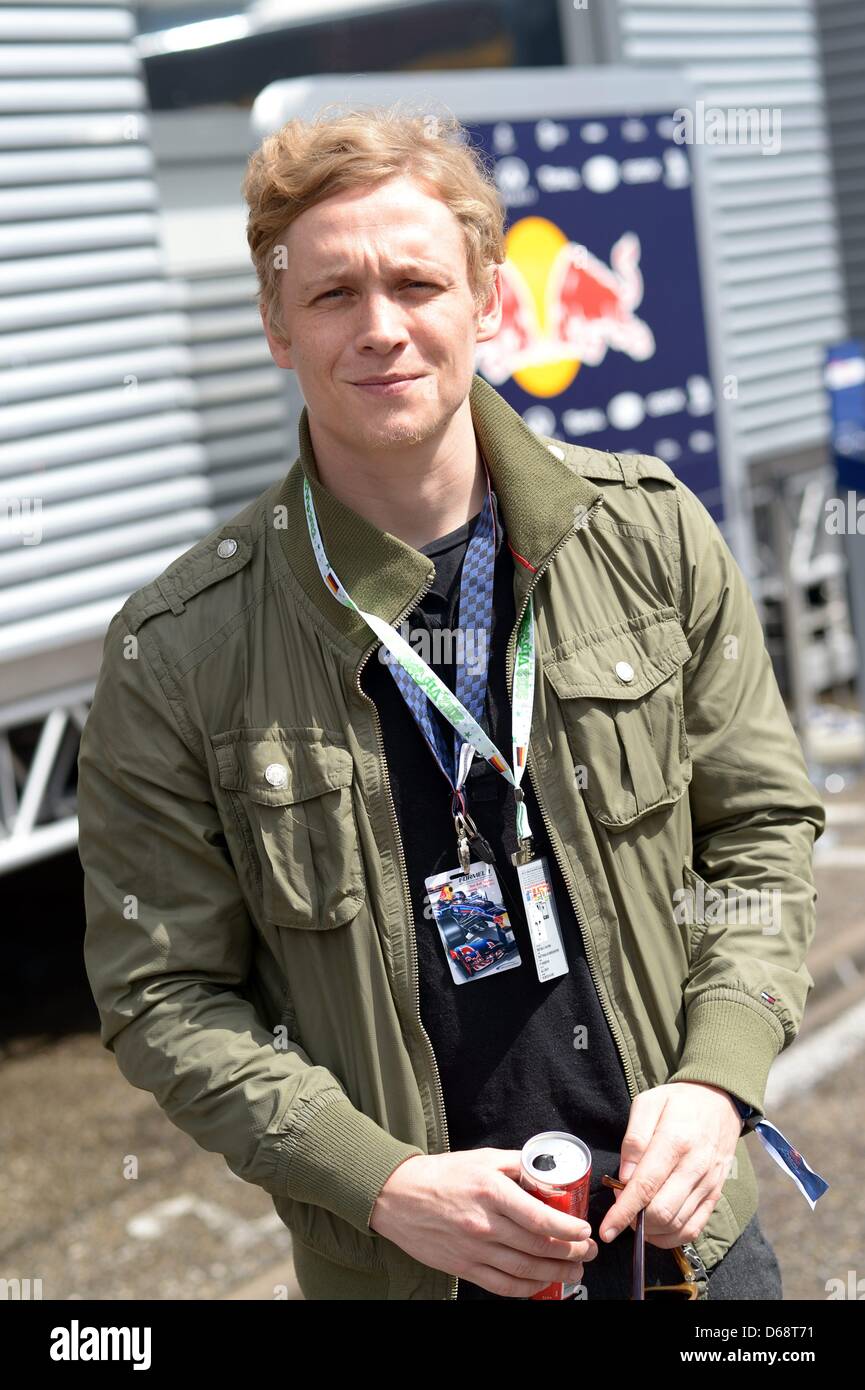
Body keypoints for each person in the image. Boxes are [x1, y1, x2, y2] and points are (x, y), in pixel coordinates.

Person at [77, 103, 826, 1301]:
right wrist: (376, 1181)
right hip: (410, 1274)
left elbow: (760, 832)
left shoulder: (646, 533)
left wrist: (718, 1074)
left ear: (486, 300)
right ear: (276, 321)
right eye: (330, 295)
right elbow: (163, 990)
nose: (380, 328)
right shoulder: (177, 651)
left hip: (687, 1248)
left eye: (416, 282)